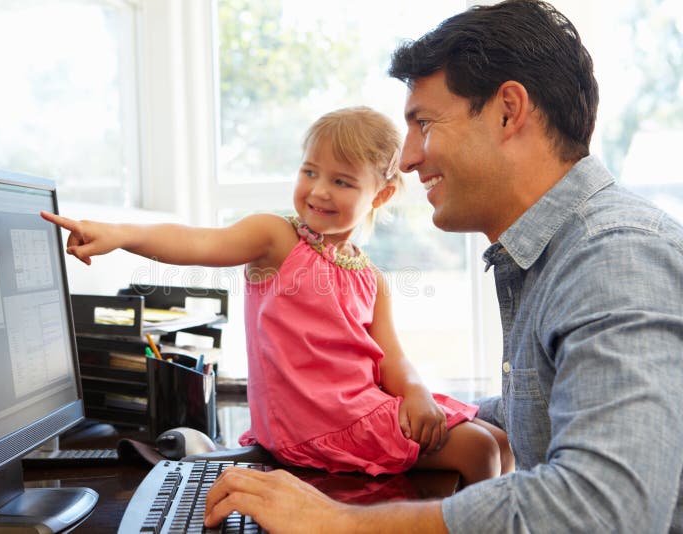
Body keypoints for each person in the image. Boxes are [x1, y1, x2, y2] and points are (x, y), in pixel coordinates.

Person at [203, 1, 683, 532]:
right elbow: (549, 402)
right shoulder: (566, 253)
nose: (407, 158)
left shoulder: (614, 258)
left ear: (508, 111)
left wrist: (338, 522)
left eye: (424, 124)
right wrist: (408, 407)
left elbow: (605, 510)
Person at [41, 106, 512, 483]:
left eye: (342, 181)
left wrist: (413, 391)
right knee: (480, 448)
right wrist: (121, 234)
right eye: (310, 172)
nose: (318, 191)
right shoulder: (276, 239)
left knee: (502, 440)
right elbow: (197, 242)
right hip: (313, 425)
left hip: (357, 409)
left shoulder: (371, 277)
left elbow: (392, 358)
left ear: (381, 195)